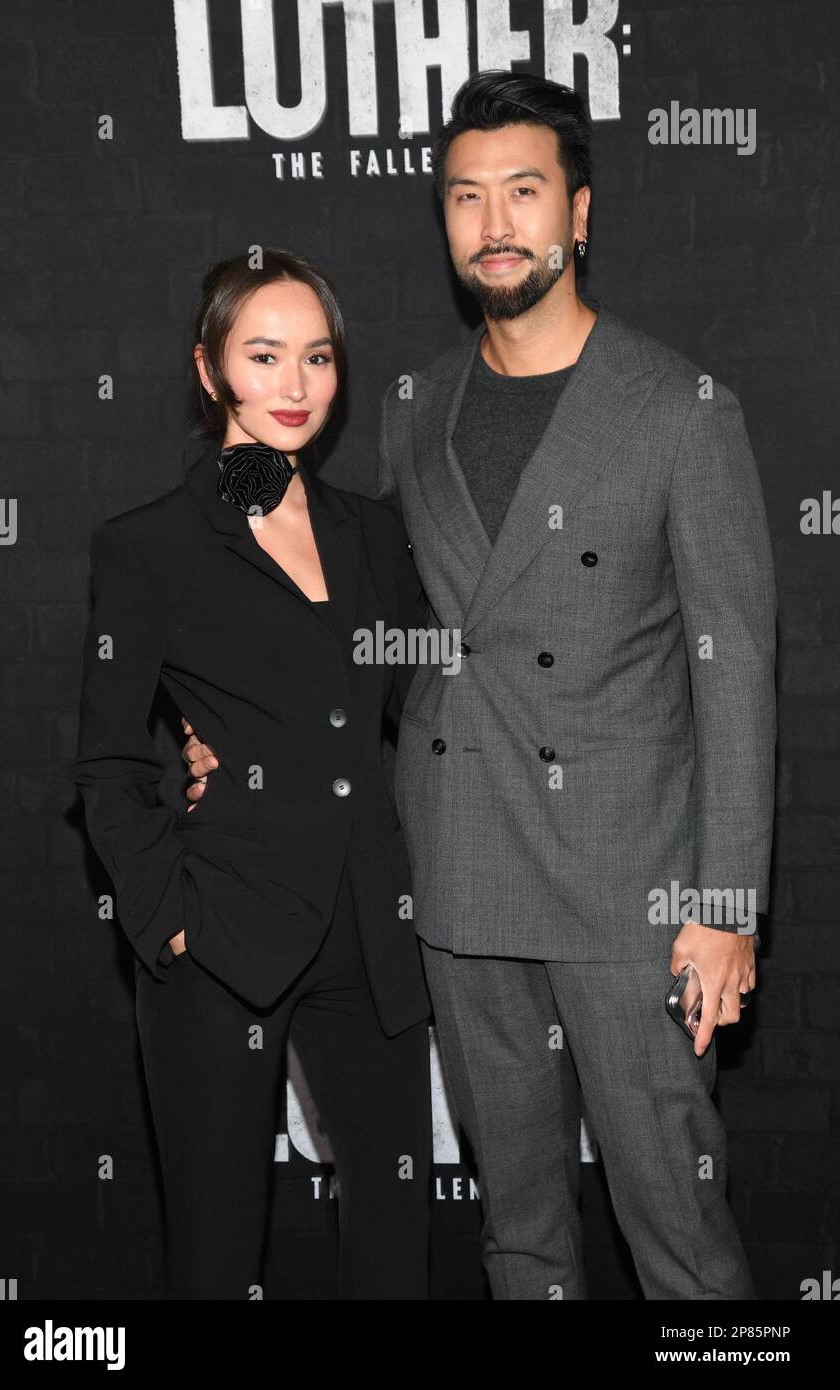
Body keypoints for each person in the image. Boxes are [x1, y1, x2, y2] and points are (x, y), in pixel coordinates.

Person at [189, 70, 778, 1300]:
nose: (494, 222)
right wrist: (225, 725)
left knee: (677, 1232)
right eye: (466, 197)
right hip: (458, 874)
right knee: (518, 1234)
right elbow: (371, 624)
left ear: (579, 212)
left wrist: (726, 904)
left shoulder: (677, 407)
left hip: (636, 892)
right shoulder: (412, 407)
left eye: (522, 191)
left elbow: (736, 670)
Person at [70, 250, 433, 1300]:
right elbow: (103, 757)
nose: (293, 385)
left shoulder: (372, 531)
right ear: (209, 368)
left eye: (315, 357)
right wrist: (166, 912)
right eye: (263, 355)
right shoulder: (150, 546)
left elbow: (419, 705)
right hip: (218, 932)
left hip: (367, 924)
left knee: (392, 1244)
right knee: (218, 1252)